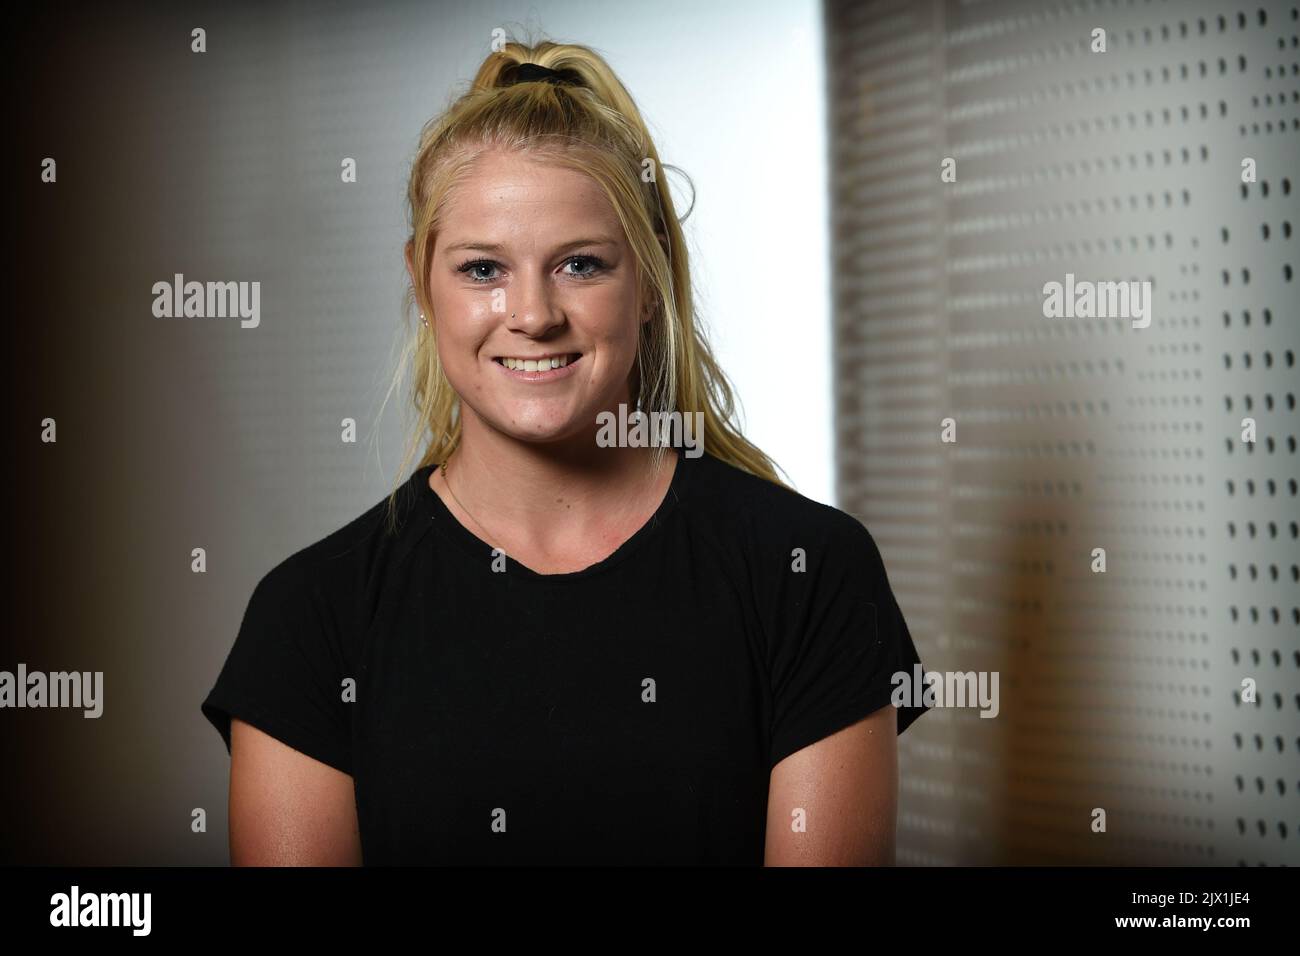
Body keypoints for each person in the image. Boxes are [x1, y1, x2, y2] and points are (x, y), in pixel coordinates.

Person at [201, 37, 929, 866]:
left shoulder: (809, 573)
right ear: (420, 283)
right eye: (483, 269)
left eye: (581, 265)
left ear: (649, 282)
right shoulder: (310, 617)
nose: (532, 313)